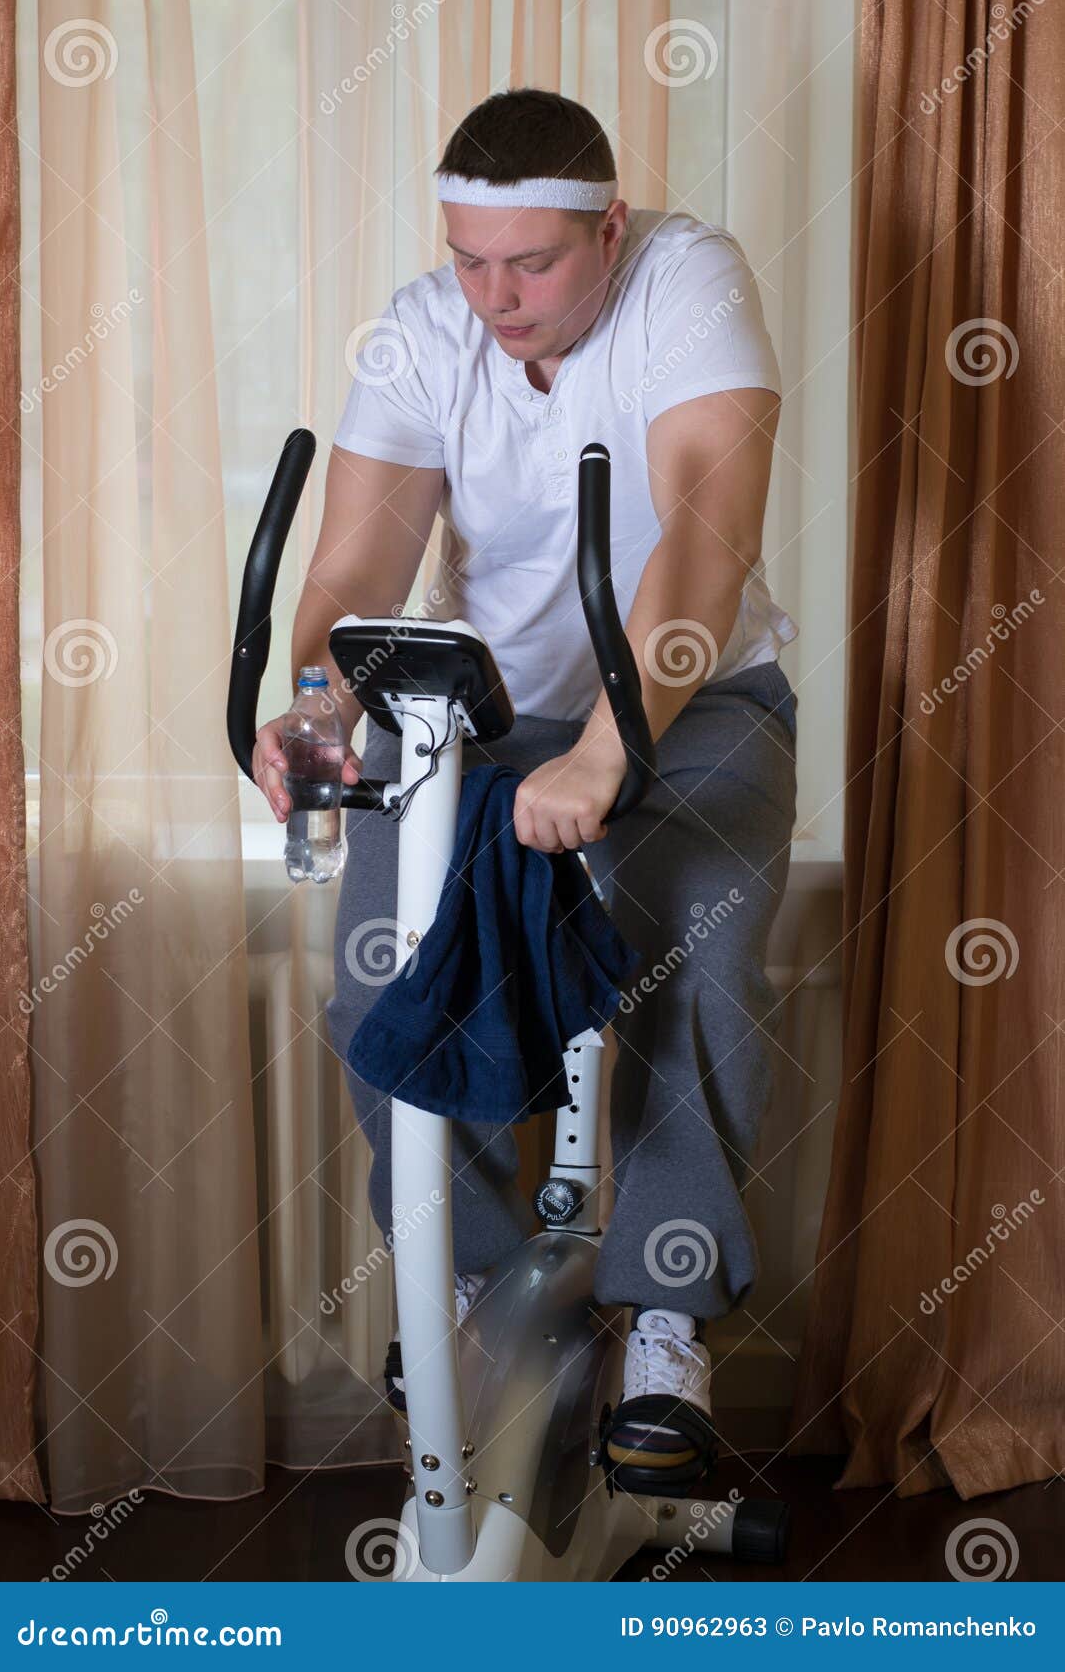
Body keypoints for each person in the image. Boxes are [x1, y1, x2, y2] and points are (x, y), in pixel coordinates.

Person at [252, 87, 798, 1480]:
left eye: (533, 264)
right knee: (383, 973)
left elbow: (708, 531)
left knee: (698, 961)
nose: (494, 295)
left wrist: (611, 749)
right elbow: (353, 570)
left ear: (608, 229)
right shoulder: (430, 326)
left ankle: (665, 1315)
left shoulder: (690, 281)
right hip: (472, 705)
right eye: (469, 258)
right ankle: (474, 1283)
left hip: (694, 698)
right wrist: (311, 710)